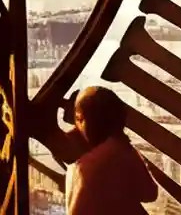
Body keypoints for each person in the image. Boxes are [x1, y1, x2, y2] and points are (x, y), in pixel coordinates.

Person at [64, 86, 158, 215]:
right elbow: (149, 193)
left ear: (83, 119)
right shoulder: (124, 151)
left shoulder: (86, 166)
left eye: (78, 119)